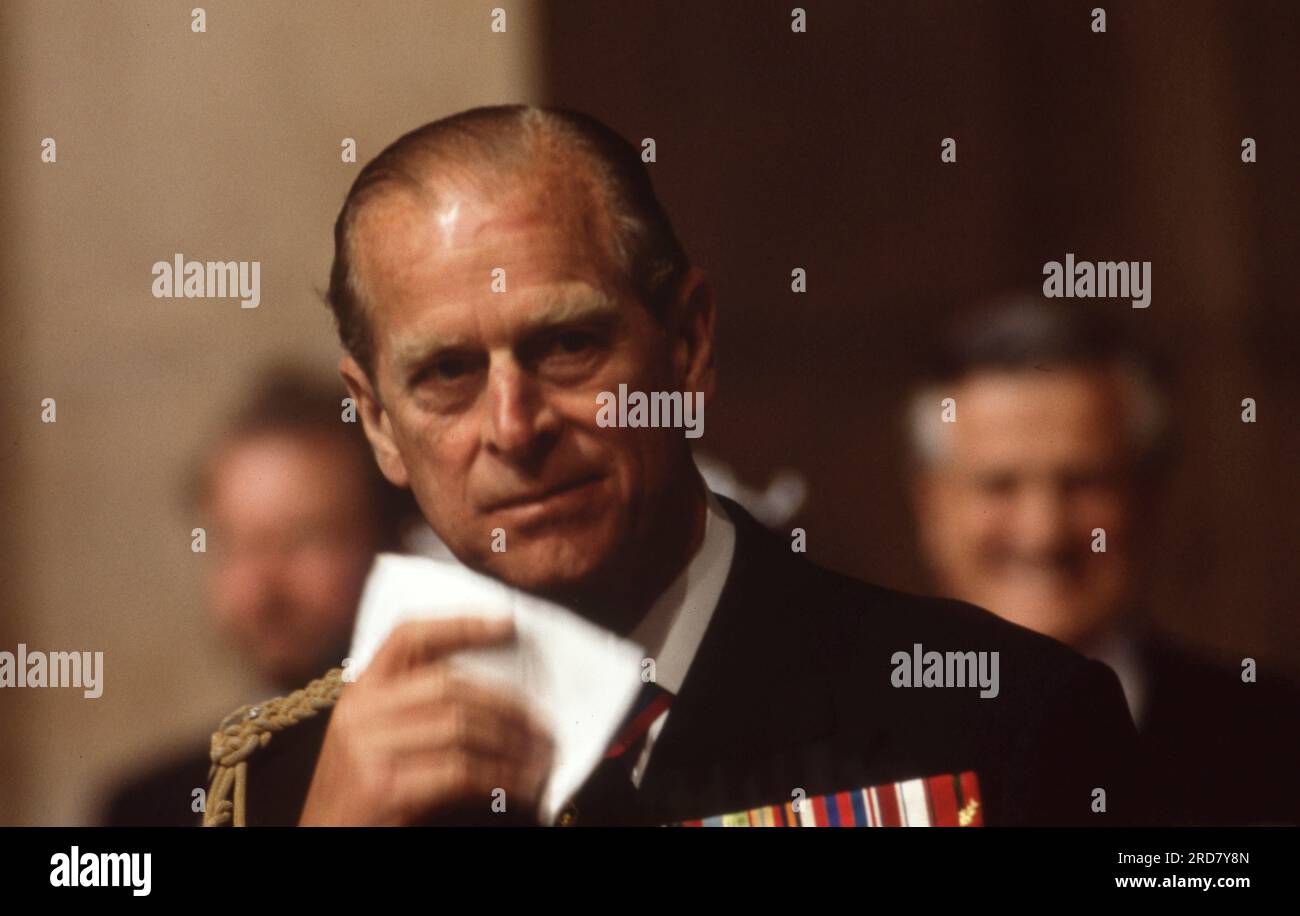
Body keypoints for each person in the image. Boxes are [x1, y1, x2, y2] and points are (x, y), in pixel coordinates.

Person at [206, 106, 1141, 828]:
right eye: (448, 373)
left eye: (567, 345)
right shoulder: (295, 780)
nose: (514, 425)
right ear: (376, 422)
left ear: (688, 346)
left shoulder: (999, 720)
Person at [906, 295, 1300, 825]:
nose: (1043, 533)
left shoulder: (1278, 746)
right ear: (930, 506)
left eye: (1085, 482)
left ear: (1150, 495)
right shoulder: (817, 757)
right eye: (999, 485)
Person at [100, 367, 413, 826]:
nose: (259, 589)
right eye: (233, 545)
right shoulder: (147, 809)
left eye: (302, 540)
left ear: (388, 541)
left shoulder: (458, 777)